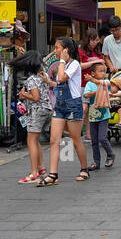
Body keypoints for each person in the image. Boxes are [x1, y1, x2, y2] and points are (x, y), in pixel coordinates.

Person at [38, 36, 90, 186]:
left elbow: (61, 78)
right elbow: (58, 84)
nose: (55, 51)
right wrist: (48, 82)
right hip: (60, 105)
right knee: (54, 140)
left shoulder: (74, 65)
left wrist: (61, 60)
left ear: (66, 50)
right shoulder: (64, 65)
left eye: (57, 48)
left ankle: (84, 169)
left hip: (73, 105)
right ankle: (53, 174)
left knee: (75, 139)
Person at [13, 50, 50, 184]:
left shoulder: (31, 79)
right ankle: (42, 169)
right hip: (46, 110)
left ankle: (34, 173)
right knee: (36, 140)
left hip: (36, 111)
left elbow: (35, 97)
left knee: (31, 141)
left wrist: (24, 95)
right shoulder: (43, 75)